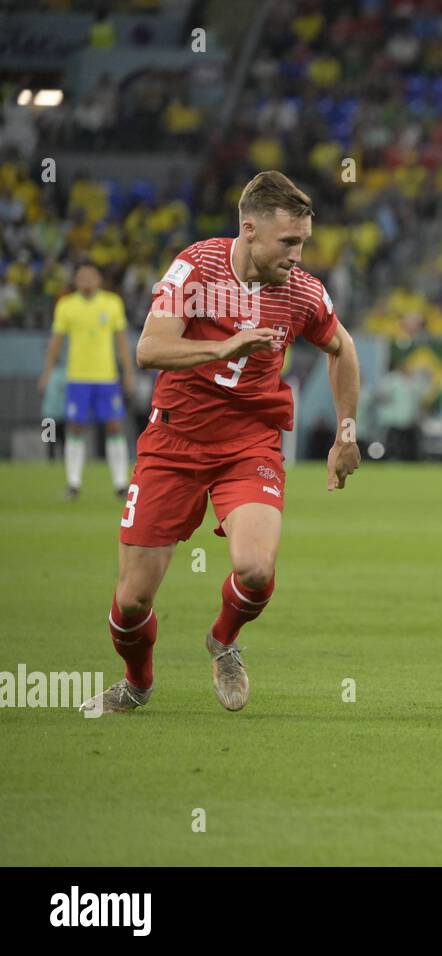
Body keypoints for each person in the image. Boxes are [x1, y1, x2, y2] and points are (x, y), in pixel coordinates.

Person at [78, 170, 361, 716]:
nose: (298, 255)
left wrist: (346, 434)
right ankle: (137, 682)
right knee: (132, 599)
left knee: (255, 568)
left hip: (249, 444)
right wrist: (225, 346)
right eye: (288, 242)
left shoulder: (301, 291)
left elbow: (341, 349)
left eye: (303, 242)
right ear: (249, 230)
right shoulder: (197, 268)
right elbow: (149, 349)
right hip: (173, 440)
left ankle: (223, 641)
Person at [38, 263, 135, 500]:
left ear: (98, 280)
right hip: (78, 377)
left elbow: (121, 342)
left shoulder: (112, 303)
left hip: (107, 377)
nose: (86, 281)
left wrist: (129, 372)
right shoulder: (66, 305)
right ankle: (73, 484)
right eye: (81, 277)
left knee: (114, 426)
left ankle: (121, 484)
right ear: (76, 281)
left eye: (90, 276)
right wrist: (47, 372)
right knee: (75, 427)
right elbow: (56, 342)